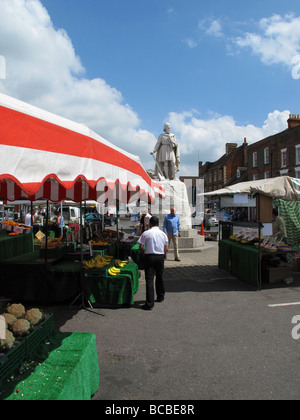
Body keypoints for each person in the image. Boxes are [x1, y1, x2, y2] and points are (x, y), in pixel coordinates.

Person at [138, 216, 169, 310]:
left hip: (149, 257)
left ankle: (149, 303)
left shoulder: (146, 233)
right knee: (160, 276)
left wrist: (144, 252)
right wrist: (163, 254)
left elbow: (140, 246)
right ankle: (160, 296)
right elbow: (166, 248)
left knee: (149, 279)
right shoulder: (163, 234)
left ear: (150, 224)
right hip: (160, 257)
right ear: (158, 224)